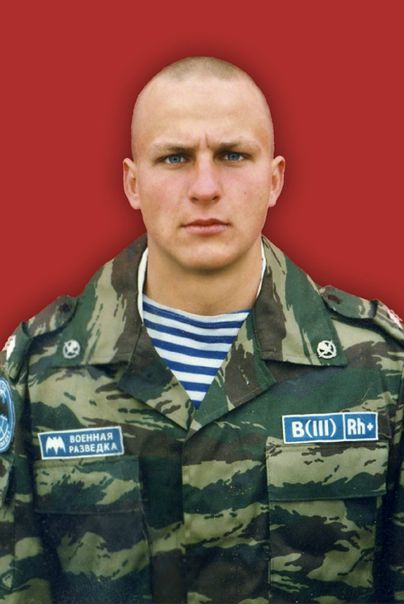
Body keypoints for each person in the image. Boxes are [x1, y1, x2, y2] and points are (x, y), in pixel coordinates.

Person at [0, 56, 403, 604]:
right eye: (175, 158)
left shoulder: (379, 366)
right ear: (133, 183)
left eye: (233, 155)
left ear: (275, 180)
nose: (206, 187)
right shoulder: (39, 372)